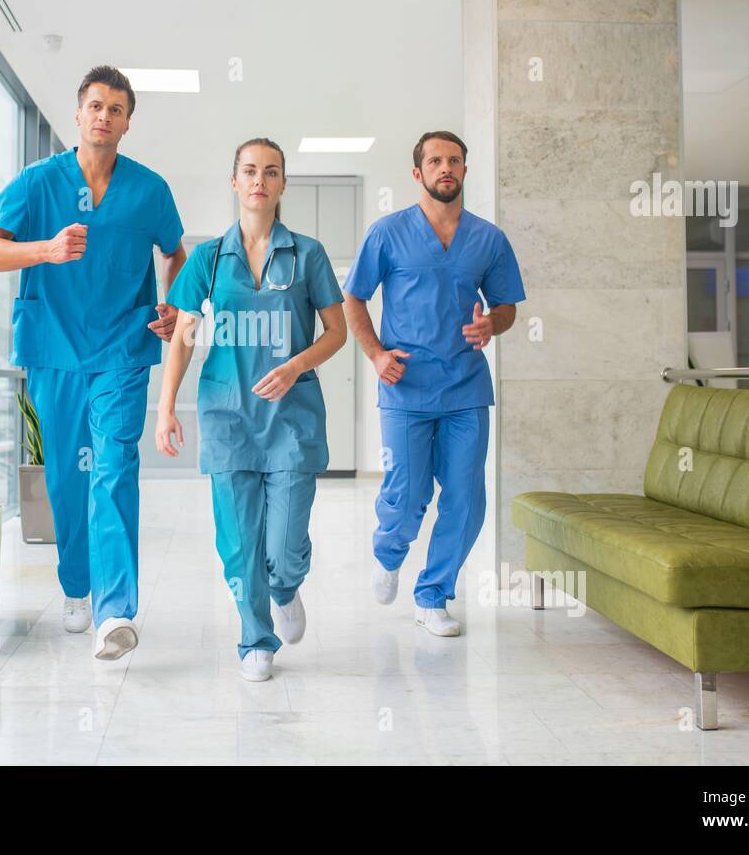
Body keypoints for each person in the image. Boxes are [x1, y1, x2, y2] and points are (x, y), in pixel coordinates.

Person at [0, 65, 187, 660]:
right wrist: (44, 249)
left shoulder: (148, 190)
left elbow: (176, 254)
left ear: (127, 121)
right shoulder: (39, 183)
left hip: (121, 349)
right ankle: (76, 585)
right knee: (69, 474)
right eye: (95, 105)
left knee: (114, 467)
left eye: (116, 109)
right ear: (78, 113)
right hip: (55, 351)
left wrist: (172, 303)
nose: (104, 117)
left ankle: (115, 611)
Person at [155, 138, 346, 681]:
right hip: (228, 416)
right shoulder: (210, 259)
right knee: (238, 544)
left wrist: (294, 366)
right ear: (234, 182)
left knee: (284, 544)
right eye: (249, 171)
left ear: (283, 184)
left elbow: (336, 333)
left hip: (293, 418)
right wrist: (166, 407)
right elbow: (184, 335)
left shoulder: (307, 254)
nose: (259, 179)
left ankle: (285, 587)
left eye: (271, 171)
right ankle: (254, 638)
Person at [342, 130, 525, 636]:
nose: (446, 168)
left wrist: (493, 323)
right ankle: (389, 550)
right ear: (417, 173)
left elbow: (507, 306)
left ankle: (433, 594)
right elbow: (353, 300)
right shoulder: (387, 233)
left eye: (455, 160)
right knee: (407, 496)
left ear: (465, 170)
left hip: (466, 389)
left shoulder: (489, 239)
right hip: (405, 386)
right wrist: (376, 355)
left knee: (466, 498)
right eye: (435, 160)